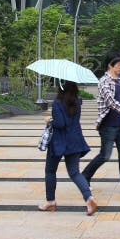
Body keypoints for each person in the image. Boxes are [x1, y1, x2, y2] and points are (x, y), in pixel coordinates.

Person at [82, 54, 120, 196]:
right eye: (119, 65)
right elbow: (111, 102)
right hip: (108, 126)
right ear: (110, 65)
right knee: (105, 155)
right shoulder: (104, 81)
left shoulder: (119, 81)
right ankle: (85, 175)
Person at [39, 80, 97, 215]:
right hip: (75, 140)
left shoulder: (58, 103)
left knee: (50, 171)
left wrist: (50, 120)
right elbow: (71, 120)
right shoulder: (77, 102)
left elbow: (60, 124)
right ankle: (89, 198)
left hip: (59, 142)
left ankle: (51, 202)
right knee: (75, 173)